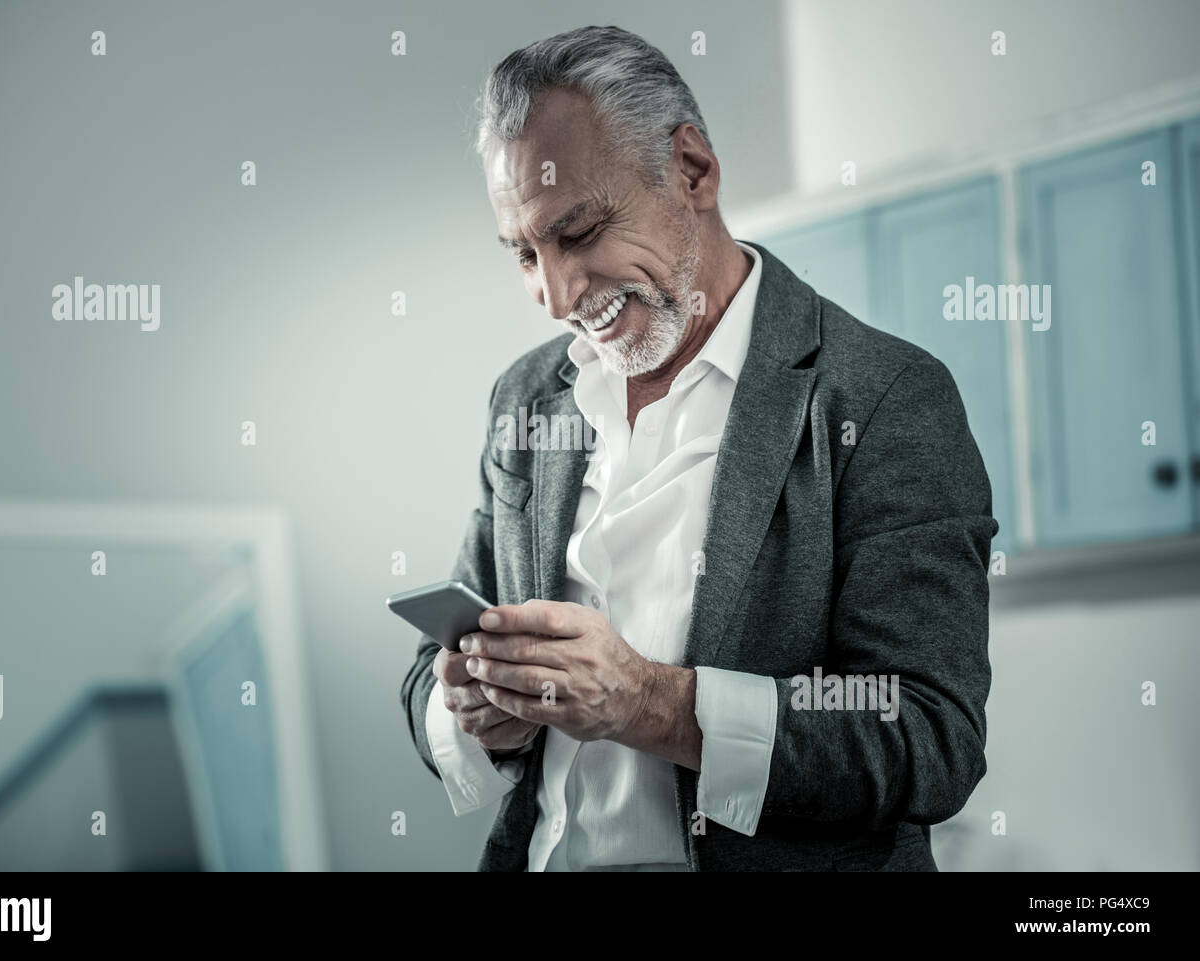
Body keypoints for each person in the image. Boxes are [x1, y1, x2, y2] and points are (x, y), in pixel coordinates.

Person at [400, 24, 996, 871]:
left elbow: (930, 735)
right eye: (525, 253)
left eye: (578, 234)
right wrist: (469, 708)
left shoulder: (883, 397)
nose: (556, 294)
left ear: (692, 171)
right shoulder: (526, 400)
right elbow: (435, 664)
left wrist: (651, 704)